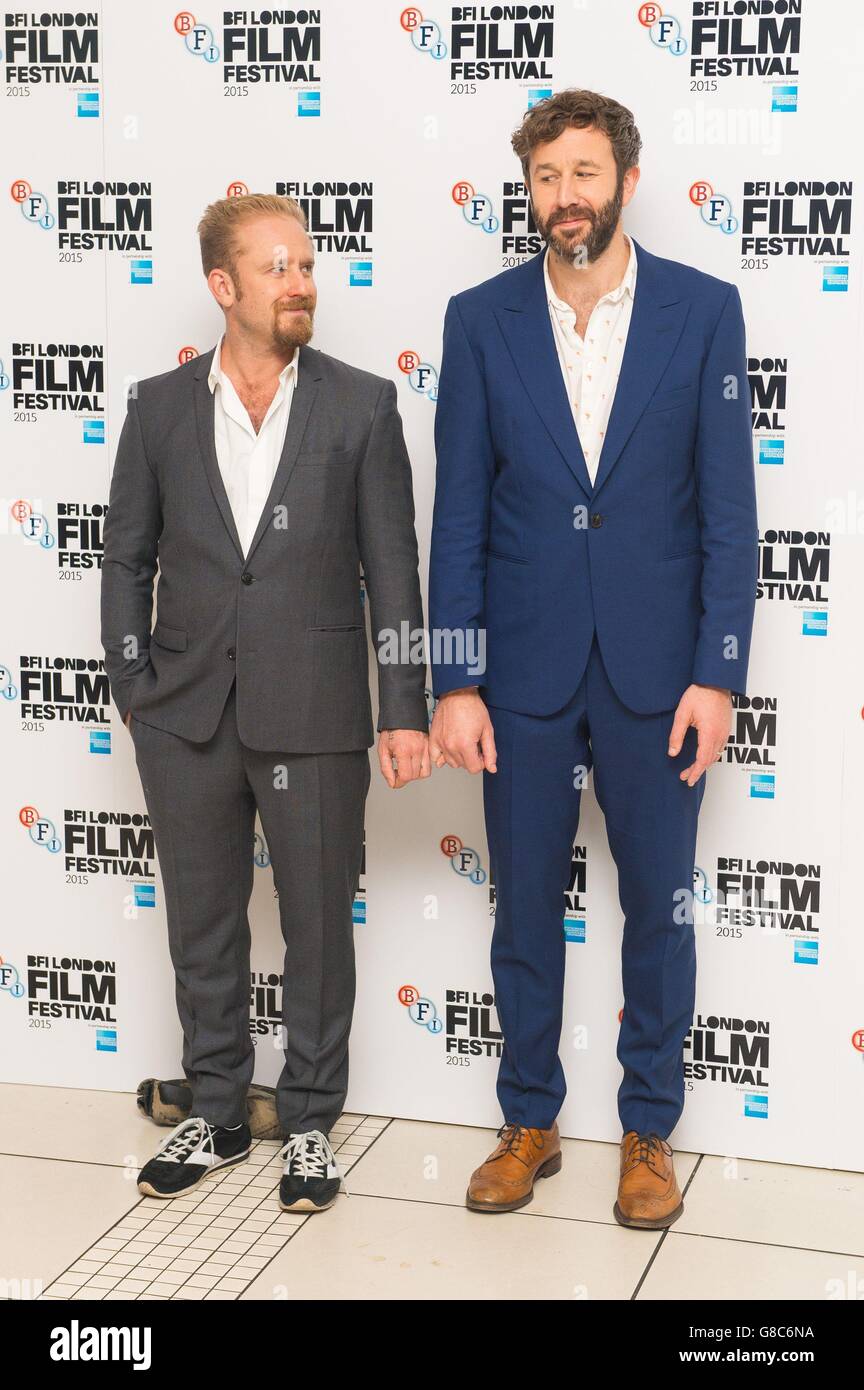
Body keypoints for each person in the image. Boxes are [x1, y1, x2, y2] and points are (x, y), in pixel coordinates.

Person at [428, 89, 758, 1227]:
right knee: (523, 910)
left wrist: (718, 672)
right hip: (516, 679)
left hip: (660, 678)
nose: (563, 196)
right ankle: (530, 1121)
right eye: (543, 178)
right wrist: (453, 678)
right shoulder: (479, 320)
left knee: (660, 912)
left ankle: (648, 1130)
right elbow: (456, 516)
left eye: (581, 173)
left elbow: (730, 511)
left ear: (625, 176)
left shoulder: (704, 312)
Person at [101, 193, 430, 1213]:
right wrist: (133, 683)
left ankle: (311, 1120)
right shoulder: (159, 407)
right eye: (278, 267)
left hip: (319, 711)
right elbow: (126, 555)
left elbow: (395, 567)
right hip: (184, 712)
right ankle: (214, 1105)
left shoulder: (363, 404)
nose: (301, 282)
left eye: (308, 264)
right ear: (223, 287)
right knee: (202, 920)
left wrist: (404, 705)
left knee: (319, 923)